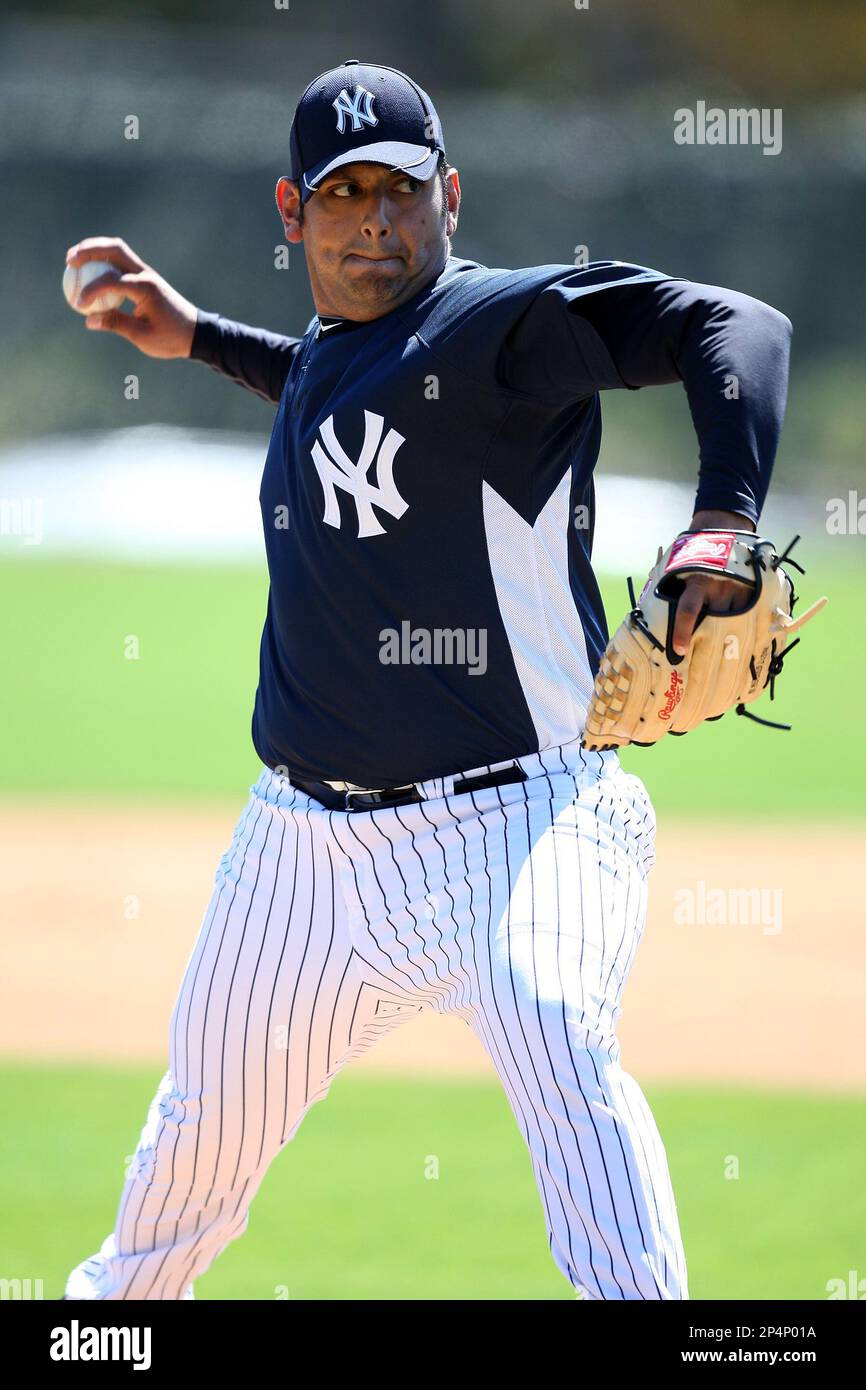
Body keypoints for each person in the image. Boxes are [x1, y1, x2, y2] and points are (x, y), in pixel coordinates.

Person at [63, 59, 791, 1300]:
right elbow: (324, 381)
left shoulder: (500, 328)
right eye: (343, 196)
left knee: (551, 1028)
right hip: (296, 853)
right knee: (190, 1154)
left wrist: (721, 518)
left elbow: (739, 327)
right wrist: (190, 340)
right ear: (292, 214)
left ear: (446, 193)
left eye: (400, 192)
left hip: (520, 821)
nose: (377, 223)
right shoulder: (331, 357)